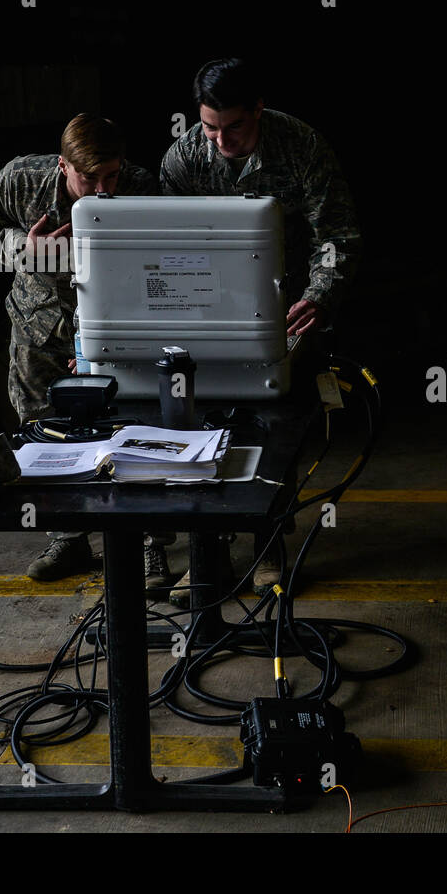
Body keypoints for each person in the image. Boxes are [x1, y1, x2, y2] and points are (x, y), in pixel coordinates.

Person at [160, 58, 361, 599]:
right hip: (209, 306)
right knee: (201, 425)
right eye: (209, 128)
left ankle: (269, 542)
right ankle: (210, 554)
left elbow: (336, 232)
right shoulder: (182, 159)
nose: (221, 141)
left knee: (273, 426)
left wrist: (319, 295)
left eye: (235, 127)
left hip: (288, 303)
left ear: (258, 110)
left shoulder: (301, 146)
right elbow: (166, 242)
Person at [0, 113, 167, 583]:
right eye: (90, 178)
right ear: (63, 166)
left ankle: (150, 543)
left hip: (113, 326)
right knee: (43, 432)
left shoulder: (142, 187)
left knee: (135, 431)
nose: (103, 189)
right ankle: (68, 538)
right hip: (39, 328)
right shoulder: (20, 180)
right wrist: (24, 250)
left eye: (112, 176)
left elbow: (160, 260)